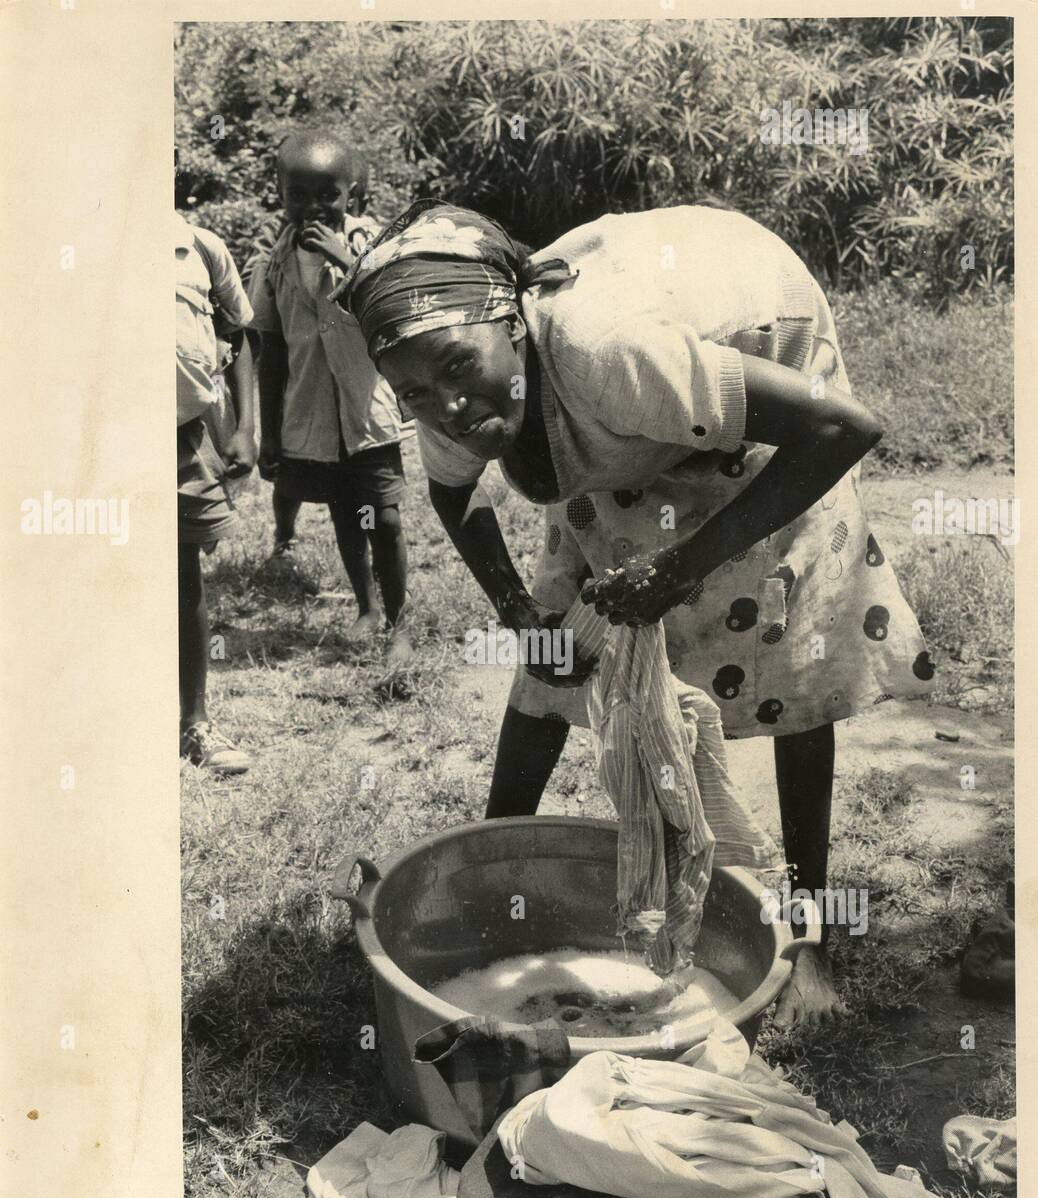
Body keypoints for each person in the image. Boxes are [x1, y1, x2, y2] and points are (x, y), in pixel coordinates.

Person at [339, 199, 936, 1027]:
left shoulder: (607, 351)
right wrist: (520, 614)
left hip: (765, 369)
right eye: (413, 393)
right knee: (556, 658)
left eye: (455, 370)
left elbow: (842, 427)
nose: (444, 406)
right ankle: (481, 885)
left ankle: (810, 933)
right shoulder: (445, 381)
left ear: (512, 324)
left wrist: (684, 564)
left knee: (785, 652)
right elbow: (451, 489)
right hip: (629, 414)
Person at [248, 131, 414, 671]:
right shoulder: (274, 263)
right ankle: (366, 606)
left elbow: (396, 311)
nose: (312, 207)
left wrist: (345, 258)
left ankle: (399, 623)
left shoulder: (372, 248)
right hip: (313, 414)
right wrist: (269, 432)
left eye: (328, 195)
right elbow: (271, 349)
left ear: (354, 195)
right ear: (280, 193)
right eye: (298, 194)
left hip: (368, 413)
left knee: (383, 519)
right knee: (346, 513)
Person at [176, 209, 257, 775]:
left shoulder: (200, 248)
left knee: (184, 575)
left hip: (184, 436)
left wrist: (245, 428)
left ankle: (194, 724)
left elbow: (239, 335)